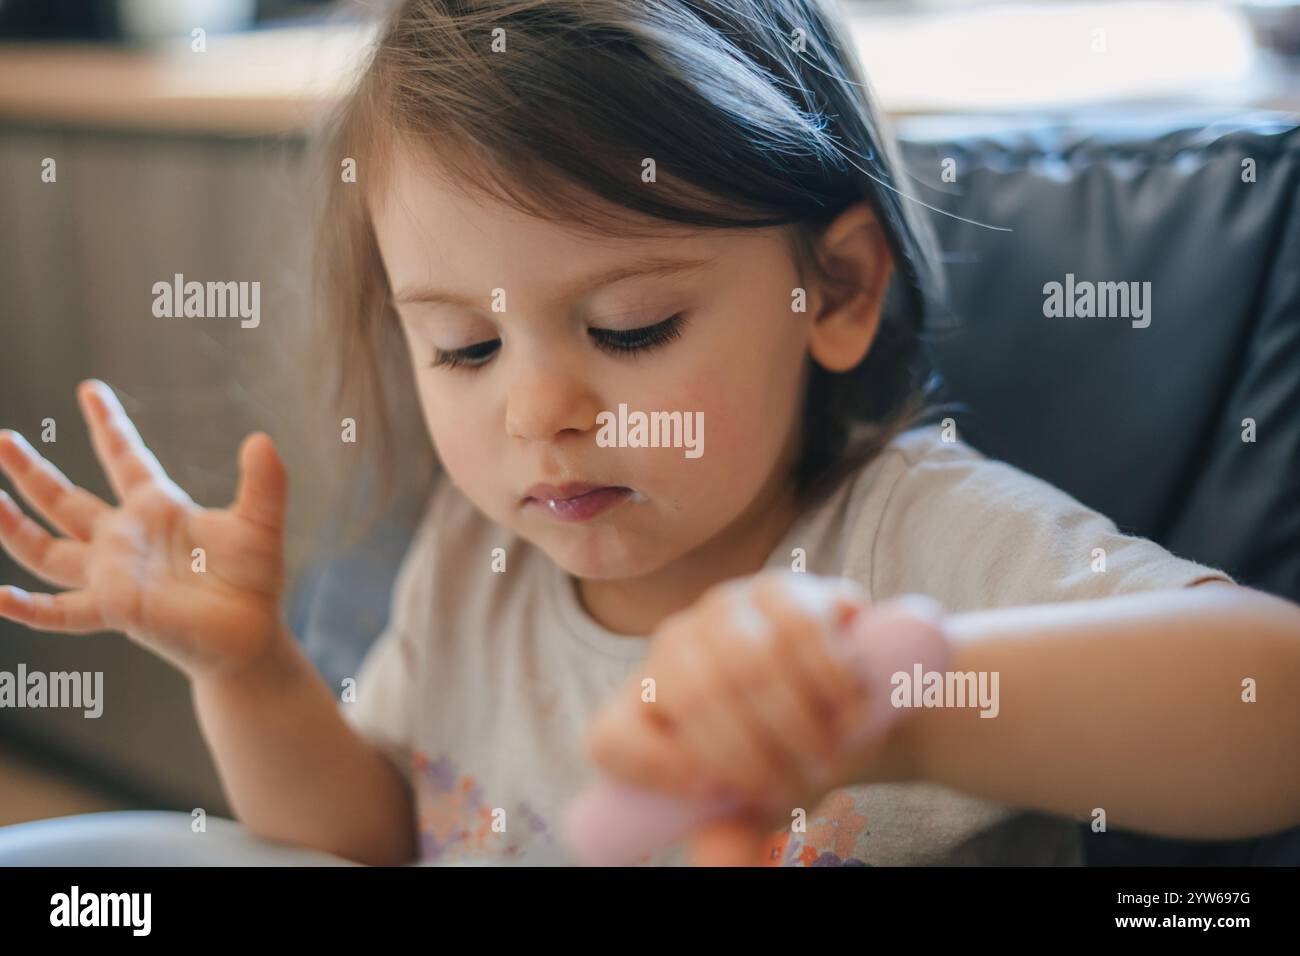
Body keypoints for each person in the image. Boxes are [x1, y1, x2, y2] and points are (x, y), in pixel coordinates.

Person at [1, 0, 1297, 867]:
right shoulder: (476, 565)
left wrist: (898, 698)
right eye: (464, 347)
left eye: (627, 328)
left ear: (834, 291)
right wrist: (248, 671)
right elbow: (368, 843)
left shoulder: (912, 537)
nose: (534, 412)